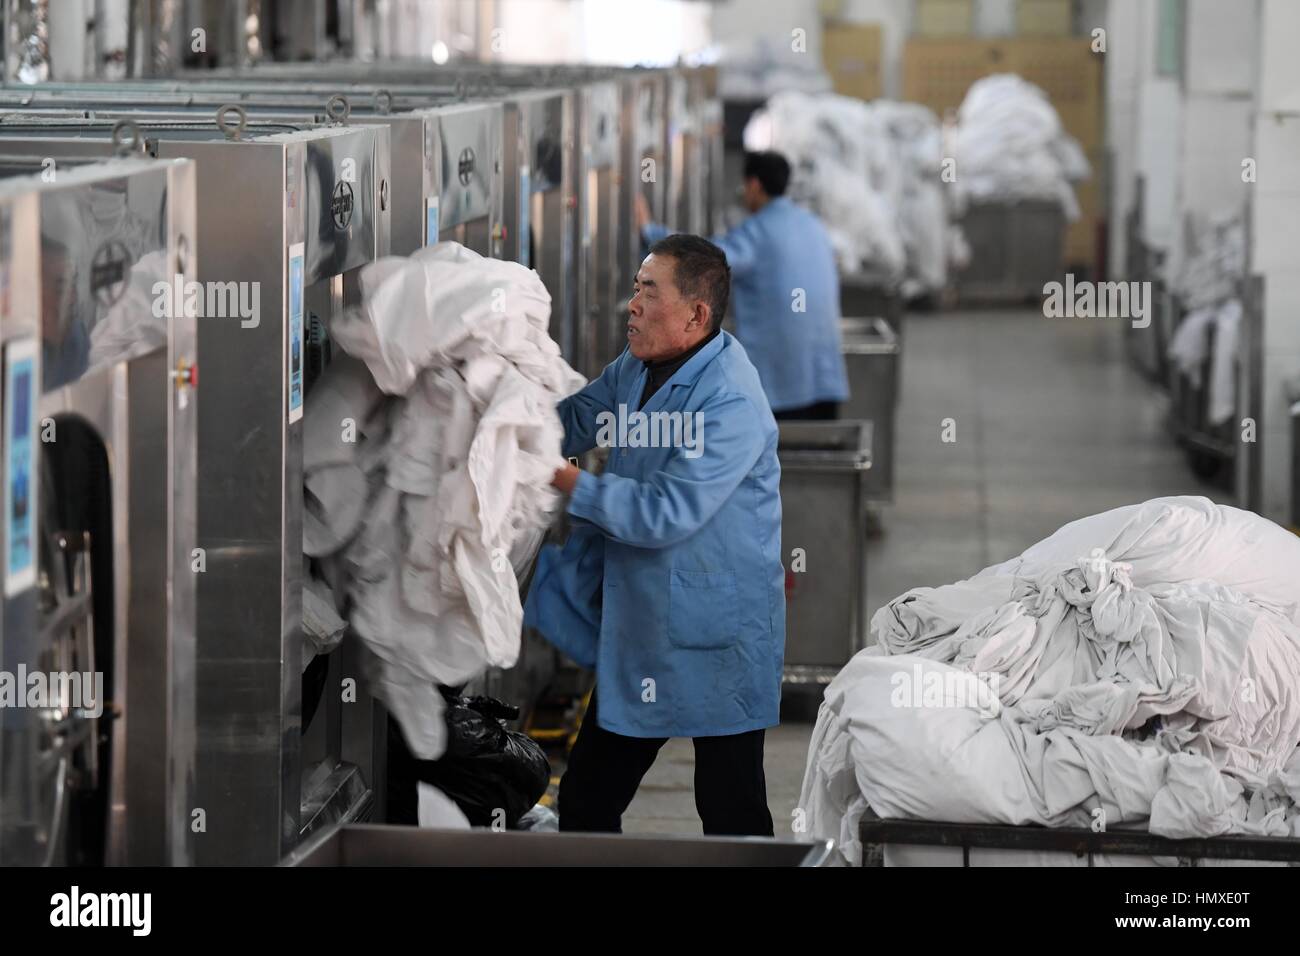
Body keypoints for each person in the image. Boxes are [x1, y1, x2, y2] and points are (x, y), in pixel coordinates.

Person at [524, 234, 785, 836]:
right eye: (635, 290)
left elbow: (664, 511)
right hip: (647, 623)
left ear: (695, 314)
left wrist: (565, 481)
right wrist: (502, 425)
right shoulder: (638, 368)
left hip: (718, 631)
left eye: (648, 292)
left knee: (730, 808)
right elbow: (577, 419)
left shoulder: (731, 401)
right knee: (587, 798)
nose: (630, 306)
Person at [638, 150, 849, 420]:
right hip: (824, 380)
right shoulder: (814, 226)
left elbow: (704, 258)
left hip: (782, 390)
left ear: (754, 185)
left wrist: (649, 232)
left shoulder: (758, 231)